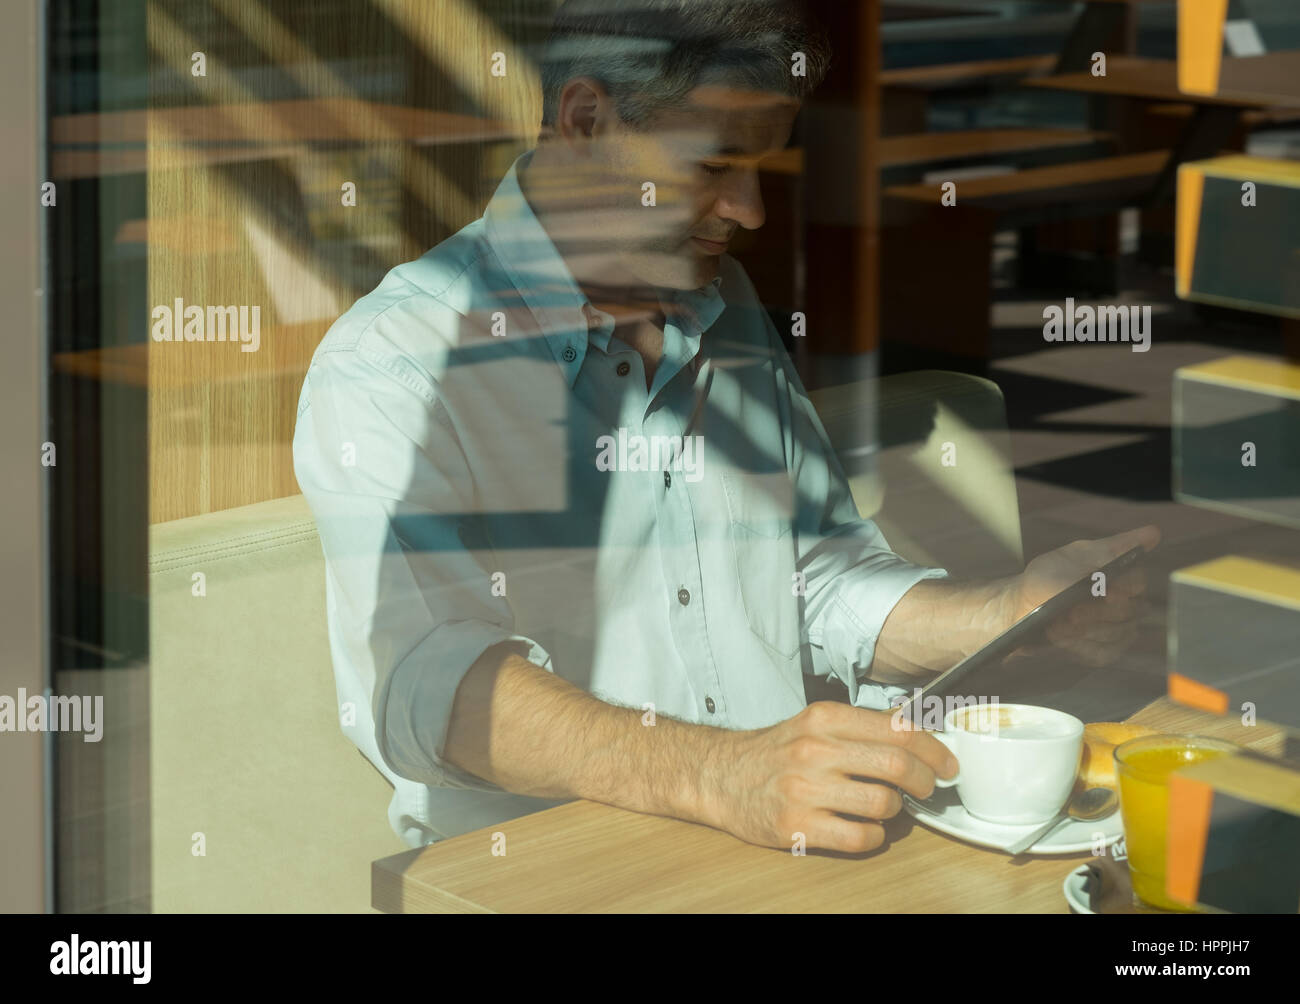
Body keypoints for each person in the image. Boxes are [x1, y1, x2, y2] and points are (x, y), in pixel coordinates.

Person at [293, 0, 1158, 852]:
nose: (750, 212)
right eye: (714, 166)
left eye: (760, 169)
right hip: (544, 878)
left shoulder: (717, 302)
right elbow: (428, 689)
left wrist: (1005, 614)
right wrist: (719, 774)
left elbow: (818, 579)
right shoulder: (400, 359)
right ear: (587, 119)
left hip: (789, 853)